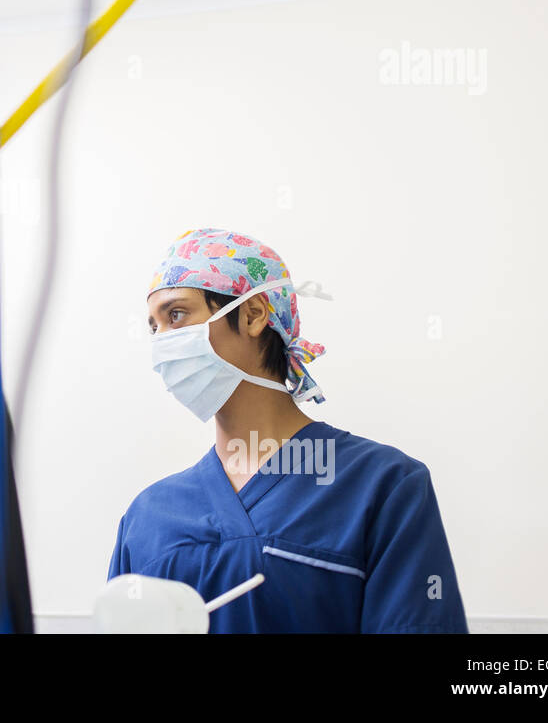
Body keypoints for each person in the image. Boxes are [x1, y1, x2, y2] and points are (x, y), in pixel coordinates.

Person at [107, 228, 468, 633]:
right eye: (154, 327)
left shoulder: (381, 486)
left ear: (254, 314)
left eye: (176, 315)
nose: (162, 343)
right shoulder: (148, 517)